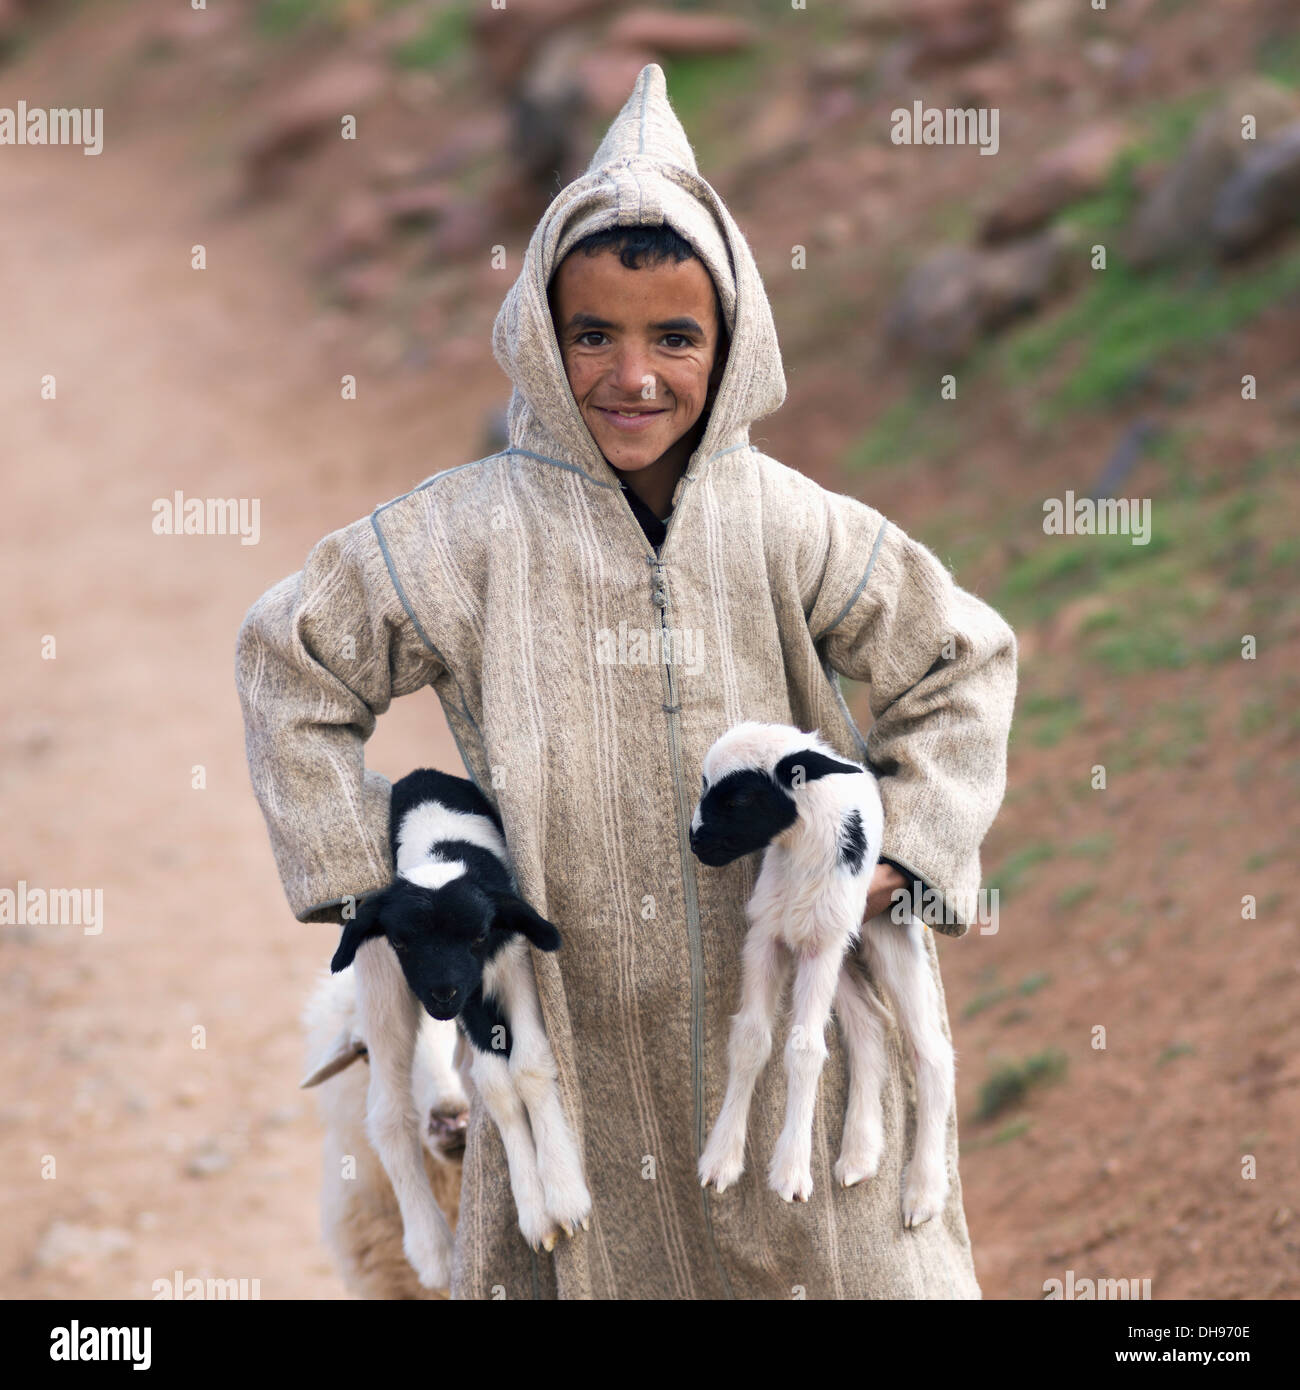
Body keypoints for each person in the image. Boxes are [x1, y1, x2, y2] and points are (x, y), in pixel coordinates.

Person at [236, 63, 1017, 1299]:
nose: (629, 374)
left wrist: (897, 857)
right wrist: (371, 882)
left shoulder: (790, 526)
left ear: (735, 341)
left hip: (786, 1021)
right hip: (571, 1037)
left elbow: (961, 658)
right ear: (540, 342)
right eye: (589, 333)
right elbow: (290, 661)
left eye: (673, 337)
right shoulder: (467, 537)